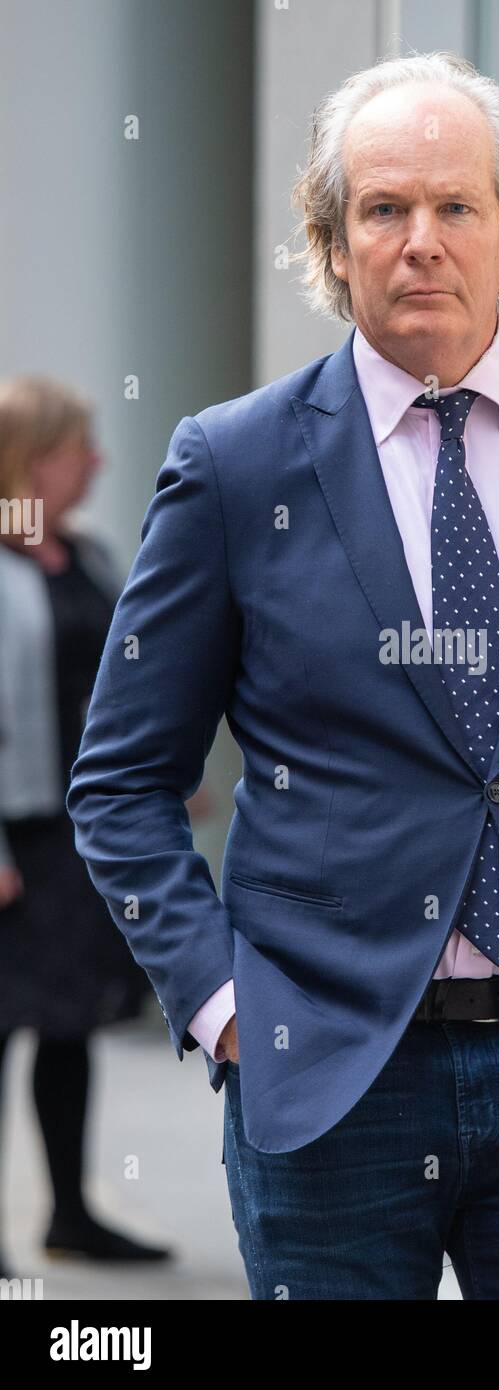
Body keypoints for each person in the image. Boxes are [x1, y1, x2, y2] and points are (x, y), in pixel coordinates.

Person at [67, 51, 499, 1300]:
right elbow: (118, 782)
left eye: (453, 207)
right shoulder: (235, 465)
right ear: (331, 239)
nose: (419, 241)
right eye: (382, 209)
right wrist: (223, 1013)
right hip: (325, 1079)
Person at [0, 376, 170, 1276]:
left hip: (69, 846)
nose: (96, 463)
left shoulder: (90, 558)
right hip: (10, 839)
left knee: (67, 1026)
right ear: (26, 461)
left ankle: (70, 1213)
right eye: (77, 449)